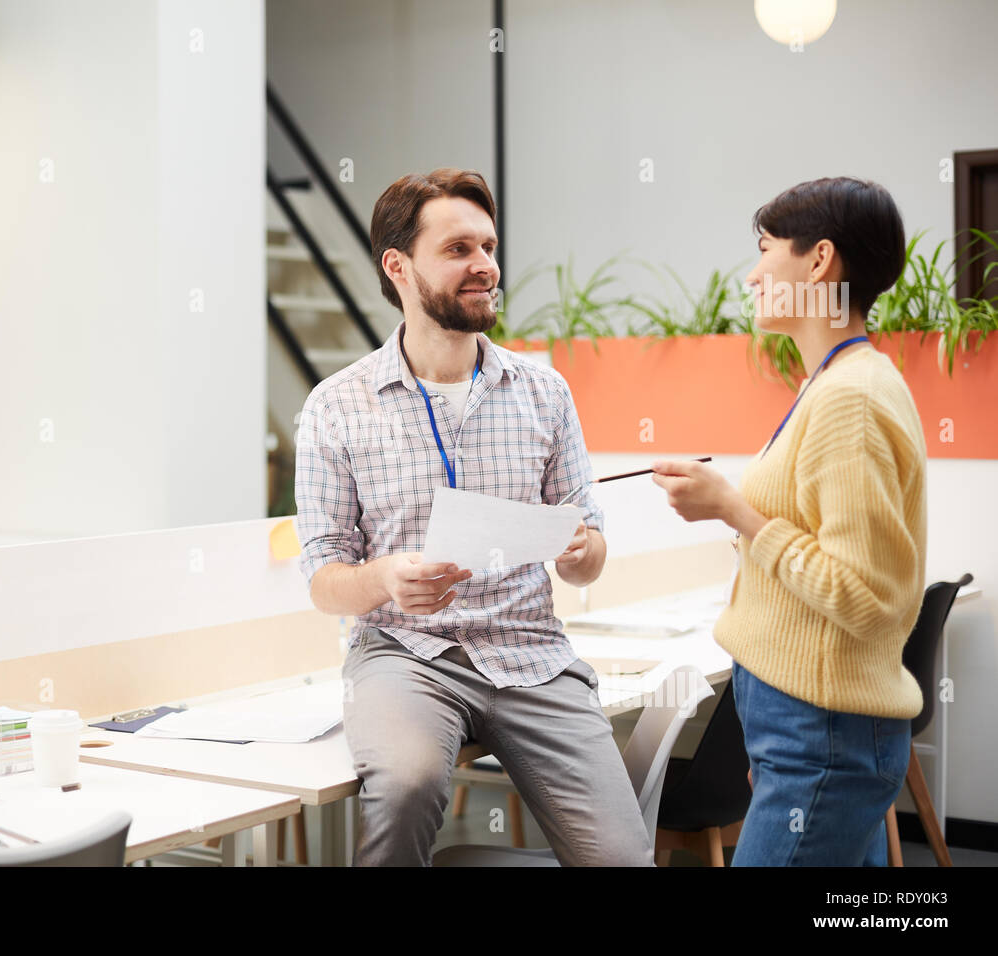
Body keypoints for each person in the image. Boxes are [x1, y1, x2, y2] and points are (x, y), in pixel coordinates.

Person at [294, 167, 652, 866]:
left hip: (530, 652)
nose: (485, 266)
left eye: (488, 247)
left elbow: (592, 540)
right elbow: (323, 575)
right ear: (398, 266)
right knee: (406, 788)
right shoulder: (337, 405)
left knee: (620, 860)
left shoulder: (543, 391)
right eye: (459, 250)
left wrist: (583, 554)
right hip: (406, 653)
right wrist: (386, 578)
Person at [651, 177, 925, 866]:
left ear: (818, 261)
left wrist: (733, 509)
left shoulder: (849, 397)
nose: (751, 273)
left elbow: (865, 595)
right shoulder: (836, 382)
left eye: (766, 249)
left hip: (820, 730)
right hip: (805, 730)